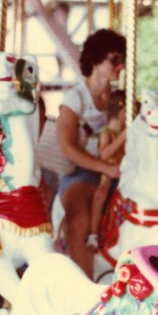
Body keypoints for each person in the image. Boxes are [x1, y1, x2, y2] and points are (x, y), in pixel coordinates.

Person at [57, 29, 125, 277]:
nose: (121, 66)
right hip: (82, 172)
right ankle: (82, 286)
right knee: (80, 221)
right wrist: (104, 167)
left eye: (122, 60)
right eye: (114, 60)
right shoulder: (75, 98)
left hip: (117, 168)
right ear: (96, 59)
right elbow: (68, 147)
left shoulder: (118, 99)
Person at [86, 90, 127, 249]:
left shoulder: (126, 132)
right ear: (119, 111)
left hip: (124, 172)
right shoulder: (106, 133)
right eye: (127, 112)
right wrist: (122, 138)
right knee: (101, 194)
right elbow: (104, 154)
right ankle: (93, 234)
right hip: (109, 172)